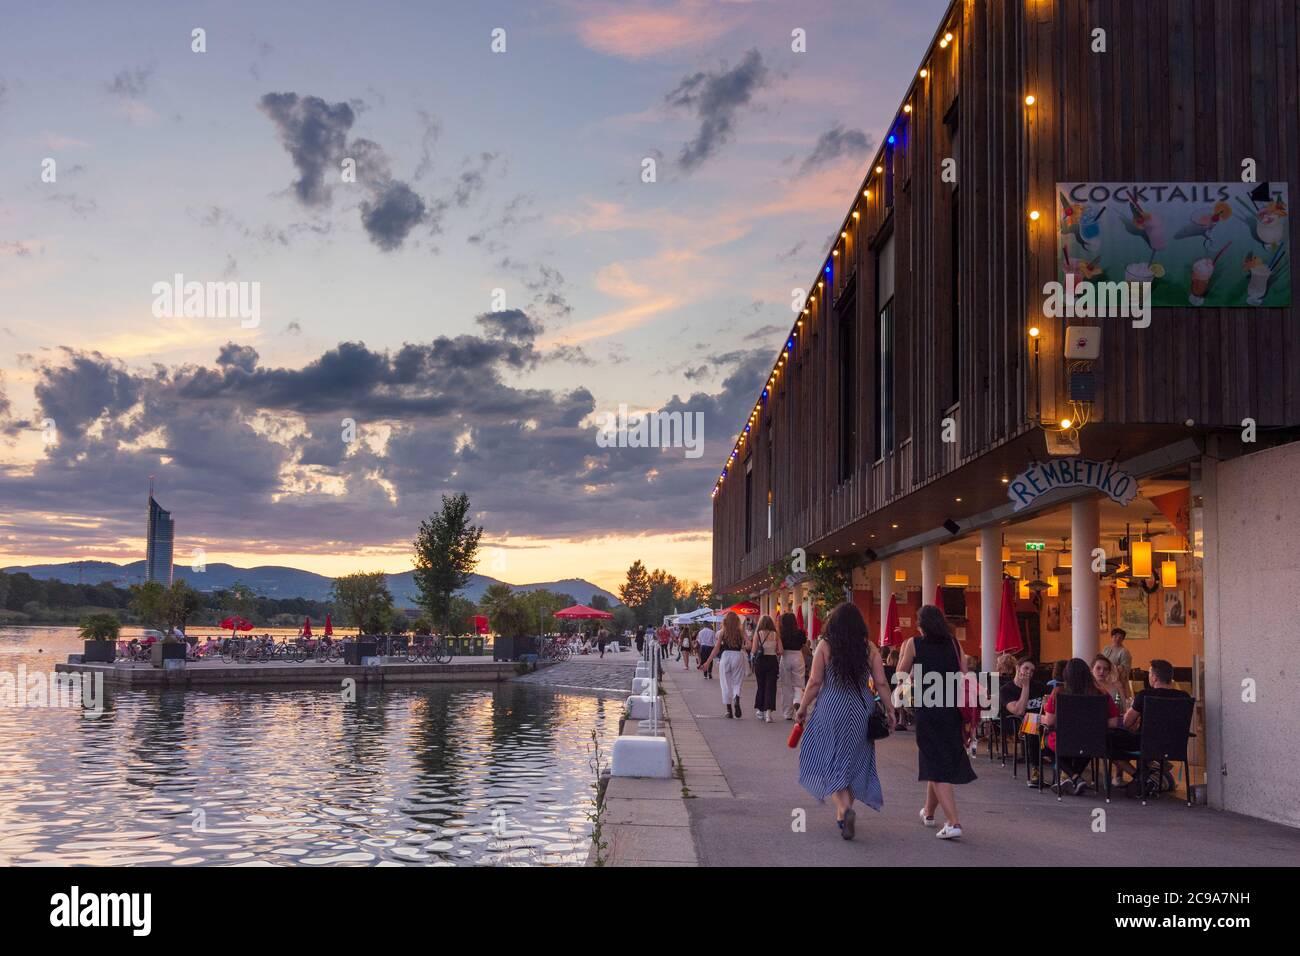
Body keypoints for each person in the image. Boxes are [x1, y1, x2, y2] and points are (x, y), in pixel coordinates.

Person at [795, 602, 895, 840]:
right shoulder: (869, 648)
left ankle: (844, 809)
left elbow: (815, 682)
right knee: (853, 760)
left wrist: (802, 707)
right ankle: (843, 814)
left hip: (831, 708)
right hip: (861, 710)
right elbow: (881, 683)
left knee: (829, 758)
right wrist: (890, 709)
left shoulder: (825, 646)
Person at [896, 605, 977, 839]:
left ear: (921, 625)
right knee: (937, 759)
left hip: (928, 711)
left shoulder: (914, 644)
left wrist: (910, 680)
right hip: (951, 711)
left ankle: (954, 823)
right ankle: (929, 812)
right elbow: (964, 672)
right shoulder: (953, 643)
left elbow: (900, 674)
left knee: (935, 762)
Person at [1040, 657, 1119, 795]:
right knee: (1090, 744)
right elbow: (1113, 722)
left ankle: (1074, 777)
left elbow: (1050, 721)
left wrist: (1042, 717)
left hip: (1064, 739)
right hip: (1093, 741)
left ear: (1066, 674)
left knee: (1045, 743)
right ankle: (1075, 778)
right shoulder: (1101, 693)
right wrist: (1093, 724)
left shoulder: (1059, 692)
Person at [1109, 658, 1191, 789]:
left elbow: (1126, 722)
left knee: (1107, 741)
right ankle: (1156, 768)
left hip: (1146, 743)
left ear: (1154, 678)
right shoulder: (1185, 697)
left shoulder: (1145, 695)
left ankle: (1140, 777)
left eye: (1149, 674)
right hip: (1175, 745)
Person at [998, 659, 1050, 786]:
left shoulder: (1039, 686)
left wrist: (1048, 704)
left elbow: (1051, 704)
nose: (1029, 673)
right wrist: (1025, 686)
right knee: (1032, 722)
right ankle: (1035, 770)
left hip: (1044, 722)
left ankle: (1062, 772)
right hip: (1020, 723)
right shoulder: (1006, 690)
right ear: (1018, 668)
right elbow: (1019, 710)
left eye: (1032, 670)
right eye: (1026, 668)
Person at [700, 611, 747, 718]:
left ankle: (729, 710)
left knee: (725, 683)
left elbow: (716, 649)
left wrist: (707, 663)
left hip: (725, 656)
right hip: (738, 656)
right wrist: (742, 646)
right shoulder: (740, 632)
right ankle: (736, 697)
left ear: (725, 621)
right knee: (737, 682)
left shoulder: (722, 632)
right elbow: (749, 645)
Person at [750, 614, 780, 722]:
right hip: (772, 661)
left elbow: (753, 650)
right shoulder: (775, 634)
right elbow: (780, 650)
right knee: (771, 687)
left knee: (761, 685)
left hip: (761, 661)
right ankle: (768, 714)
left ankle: (760, 711)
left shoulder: (758, 634)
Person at [777, 612, 807, 720]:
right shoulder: (800, 632)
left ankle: (787, 713)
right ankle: (797, 701)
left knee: (786, 685)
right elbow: (804, 643)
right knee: (799, 684)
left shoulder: (781, 633)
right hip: (797, 656)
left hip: (785, 656)